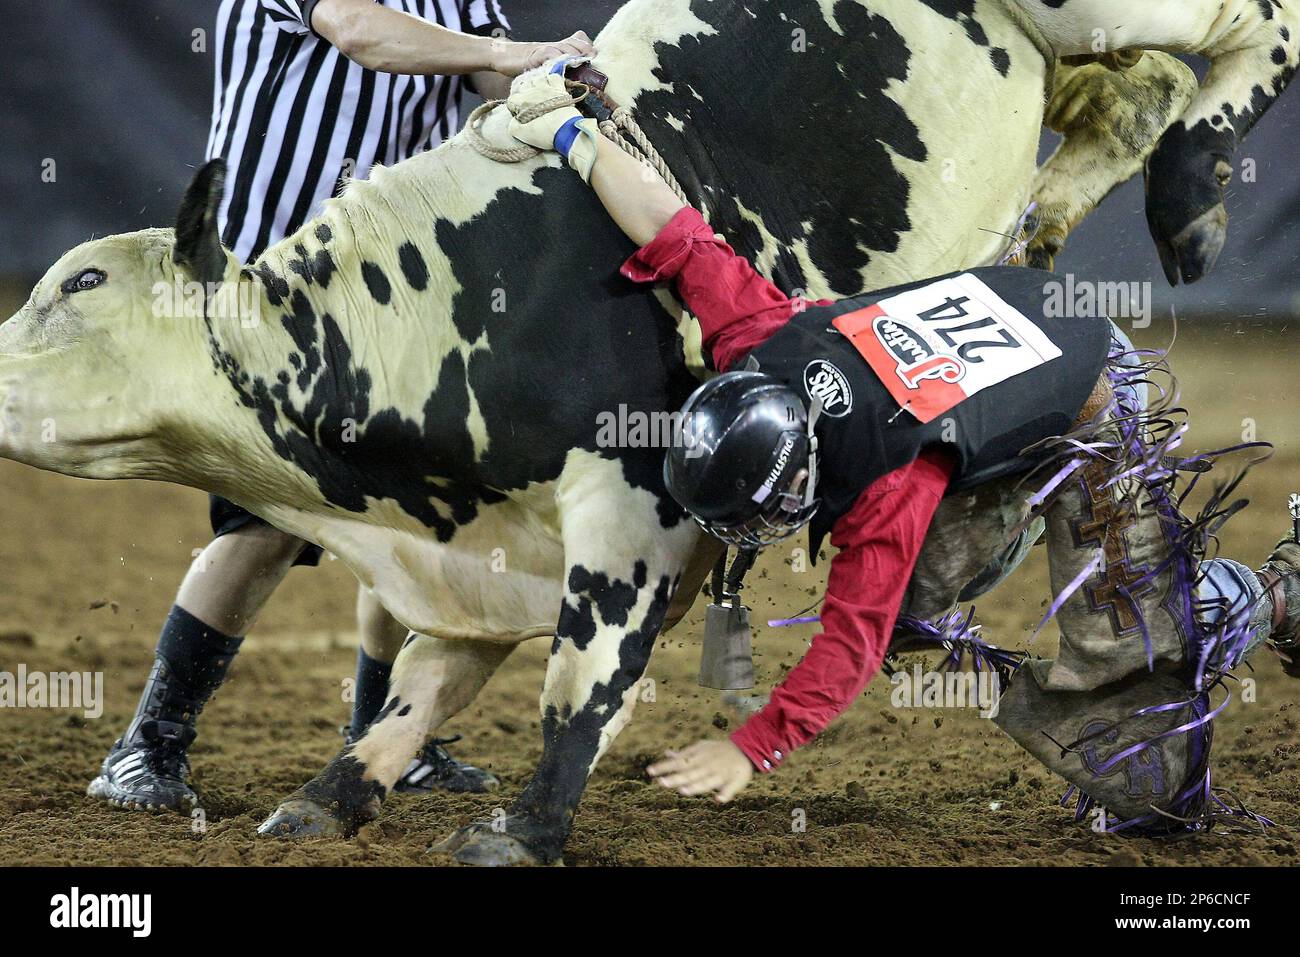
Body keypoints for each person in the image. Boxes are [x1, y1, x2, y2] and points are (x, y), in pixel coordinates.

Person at [502, 69, 1299, 828]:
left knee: (1141, 712)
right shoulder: (758, 336)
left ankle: (1283, 593)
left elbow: (850, 637)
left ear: (803, 467)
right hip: (1002, 338)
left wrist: (755, 746)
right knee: (910, 613)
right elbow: (677, 235)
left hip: (1090, 387)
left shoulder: (888, 480)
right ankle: (1065, 679)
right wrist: (575, 134)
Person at [88, 1, 595, 813]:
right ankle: (145, 744)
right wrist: (521, 48)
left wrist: (565, 72)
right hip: (264, 281)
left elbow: (487, 68)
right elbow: (365, 34)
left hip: (377, 290)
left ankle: (384, 734)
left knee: (414, 506)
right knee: (269, 517)